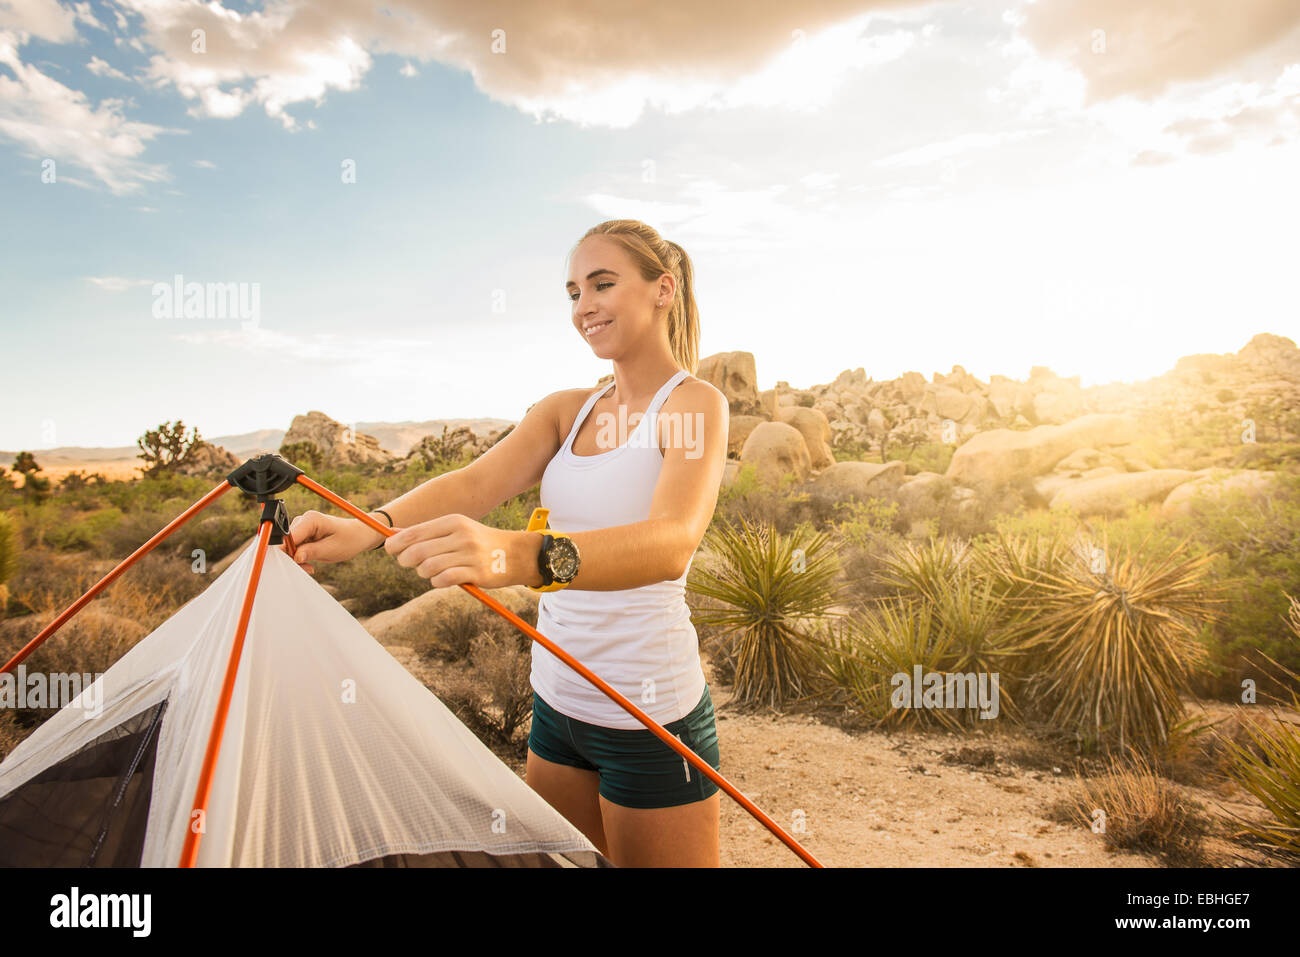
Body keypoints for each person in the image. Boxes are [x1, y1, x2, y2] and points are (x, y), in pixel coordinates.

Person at [280, 219, 730, 867]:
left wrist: (519, 556)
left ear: (663, 290)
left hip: (649, 716)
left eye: (603, 284)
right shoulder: (564, 410)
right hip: (558, 709)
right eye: (573, 292)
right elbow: (474, 483)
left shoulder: (693, 404)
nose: (584, 307)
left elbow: (670, 544)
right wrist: (362, 526)